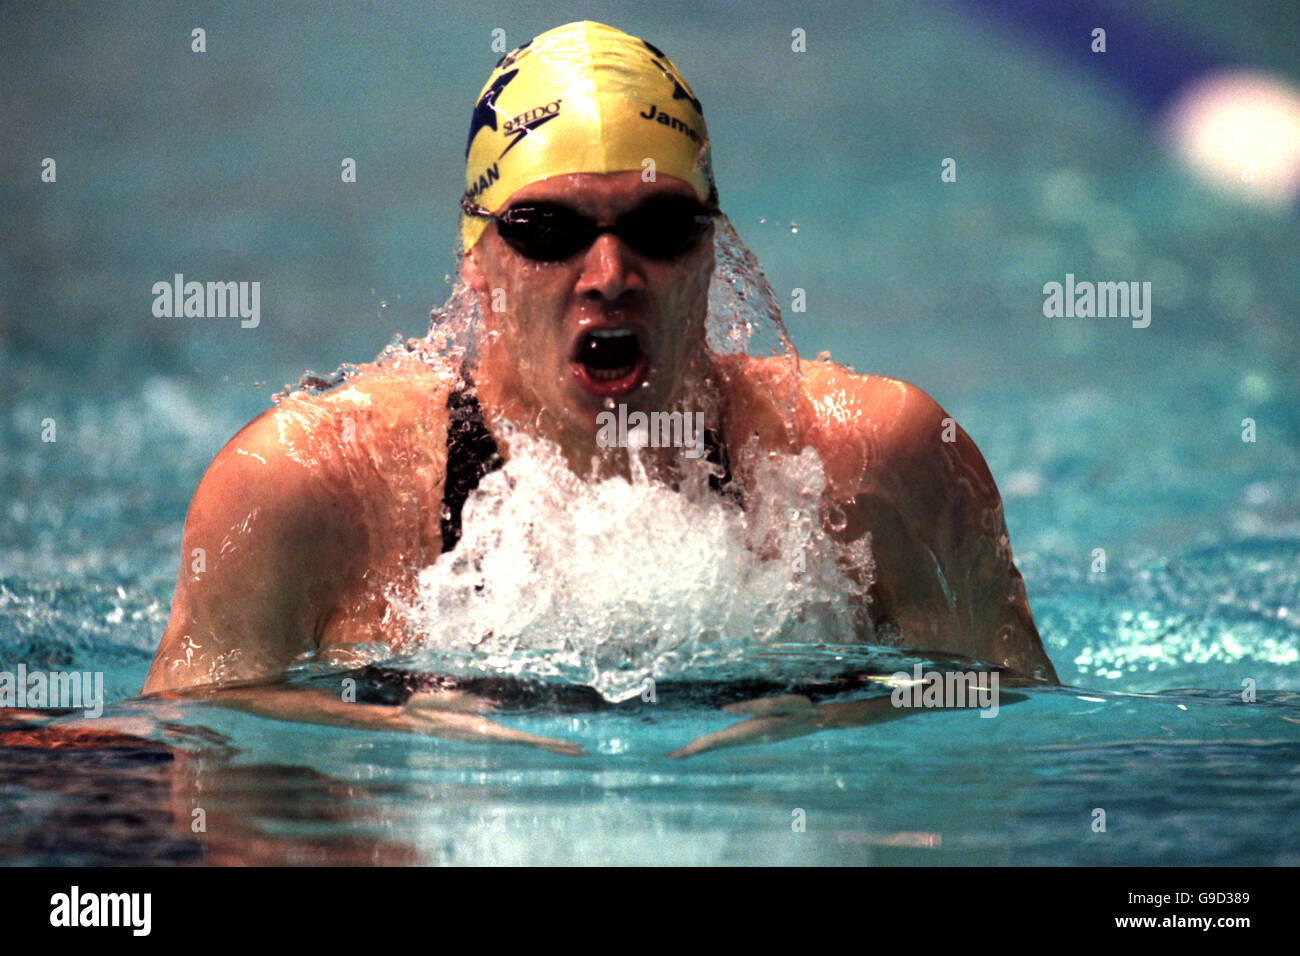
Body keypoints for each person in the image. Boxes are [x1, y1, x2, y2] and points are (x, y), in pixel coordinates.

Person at [141, 21, 1057, 753]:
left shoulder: (880, 459)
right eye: (549, 228)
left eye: (661, 224)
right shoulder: (308, 490)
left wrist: (850, 717)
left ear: (713, 247)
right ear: (479, 259)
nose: (611, 271)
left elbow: (1012, 707)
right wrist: (392, 726)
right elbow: (188, 745)